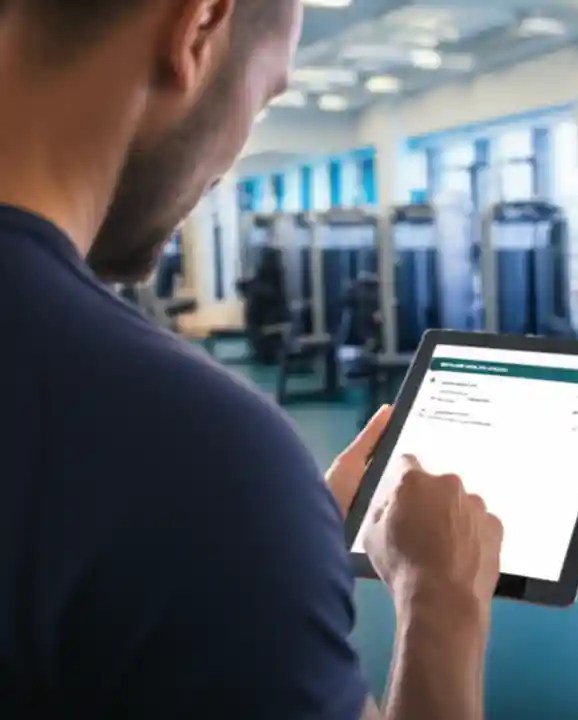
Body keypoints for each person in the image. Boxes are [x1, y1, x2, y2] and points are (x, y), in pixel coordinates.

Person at [0, 1, 504, 718]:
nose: (234, 152)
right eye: (264, 99)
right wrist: (441, 603)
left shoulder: (185, 483)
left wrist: (292, 532)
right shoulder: (188, 451)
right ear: (197, 29)